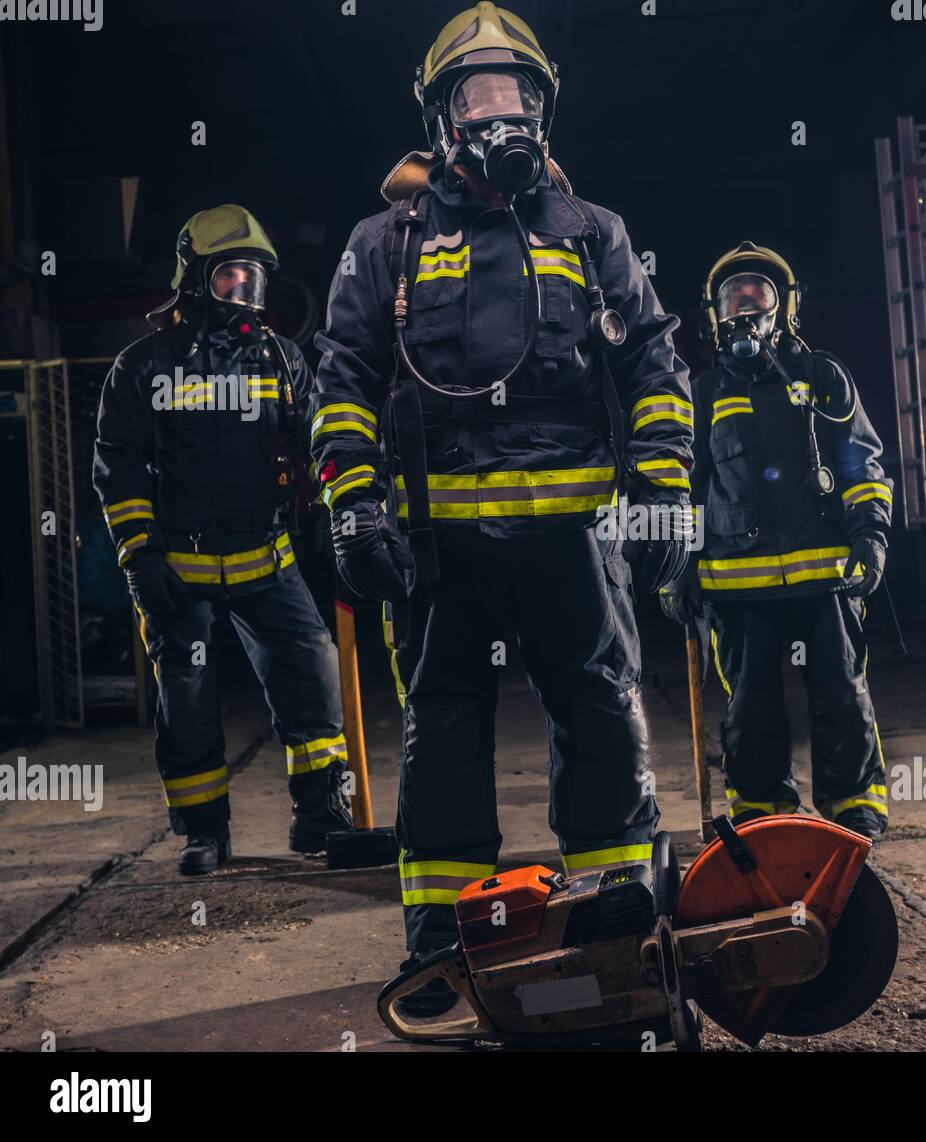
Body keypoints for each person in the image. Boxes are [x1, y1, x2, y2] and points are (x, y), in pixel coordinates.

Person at [310, 3, 693, 1011]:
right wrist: (352, 499)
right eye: (477, 96)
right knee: (441, 737)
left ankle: (618, 918)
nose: (499, 113)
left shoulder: (593, 233)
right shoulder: (384, 244)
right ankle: (445, 942)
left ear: (544, 108)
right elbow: (341, 374)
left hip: (576, 541)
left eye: (516, 93)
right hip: (443, 550)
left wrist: (664, 482)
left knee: (603, 718)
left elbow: (653, 359)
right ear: (441, 118)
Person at [93, 204, 353, 876]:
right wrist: (139, 554)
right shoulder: (142, 365)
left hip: (269, 559)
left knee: (313, 674)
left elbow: (316, 444)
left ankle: (320, 815)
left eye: (254, 277)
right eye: (231, 275)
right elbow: (117, 464)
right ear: (195, 278)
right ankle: (204, 833)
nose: (245, 290)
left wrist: (335, 512)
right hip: (180, 570)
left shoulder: (281, 357)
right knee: (189, 701)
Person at [661, 243, 893, 837]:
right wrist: (676, 565)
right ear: (714, 315)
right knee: (751, 704)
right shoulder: (702, 392)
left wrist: (869, 535)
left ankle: (854, 806)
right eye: (732, 296)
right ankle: (761, 812)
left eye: (758, 294)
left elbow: (859, 463)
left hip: (825, 578)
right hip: (737, 586)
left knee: (841, 692)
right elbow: (679, 485)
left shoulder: (821, 377)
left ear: (782, 308)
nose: (745, 305)